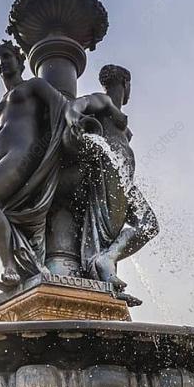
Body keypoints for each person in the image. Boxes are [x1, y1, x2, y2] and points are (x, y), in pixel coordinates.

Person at [0, 40, 68, 290]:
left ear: (20, 60)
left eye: (7, 56)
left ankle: (10, 268)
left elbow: (61, 106)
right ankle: (16, 267)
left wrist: (78, 122)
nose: (3, 61)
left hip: (22, 152)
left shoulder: (34, 86)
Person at [71, 64, 159, 287]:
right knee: (109, 229)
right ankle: (104, 265)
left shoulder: (123, 126)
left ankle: (107, 259)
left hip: (123, 178)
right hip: (110, 170)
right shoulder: (104, 100)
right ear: (125, 83)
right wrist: (74, 122)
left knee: (149, 225)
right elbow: (76, 105)